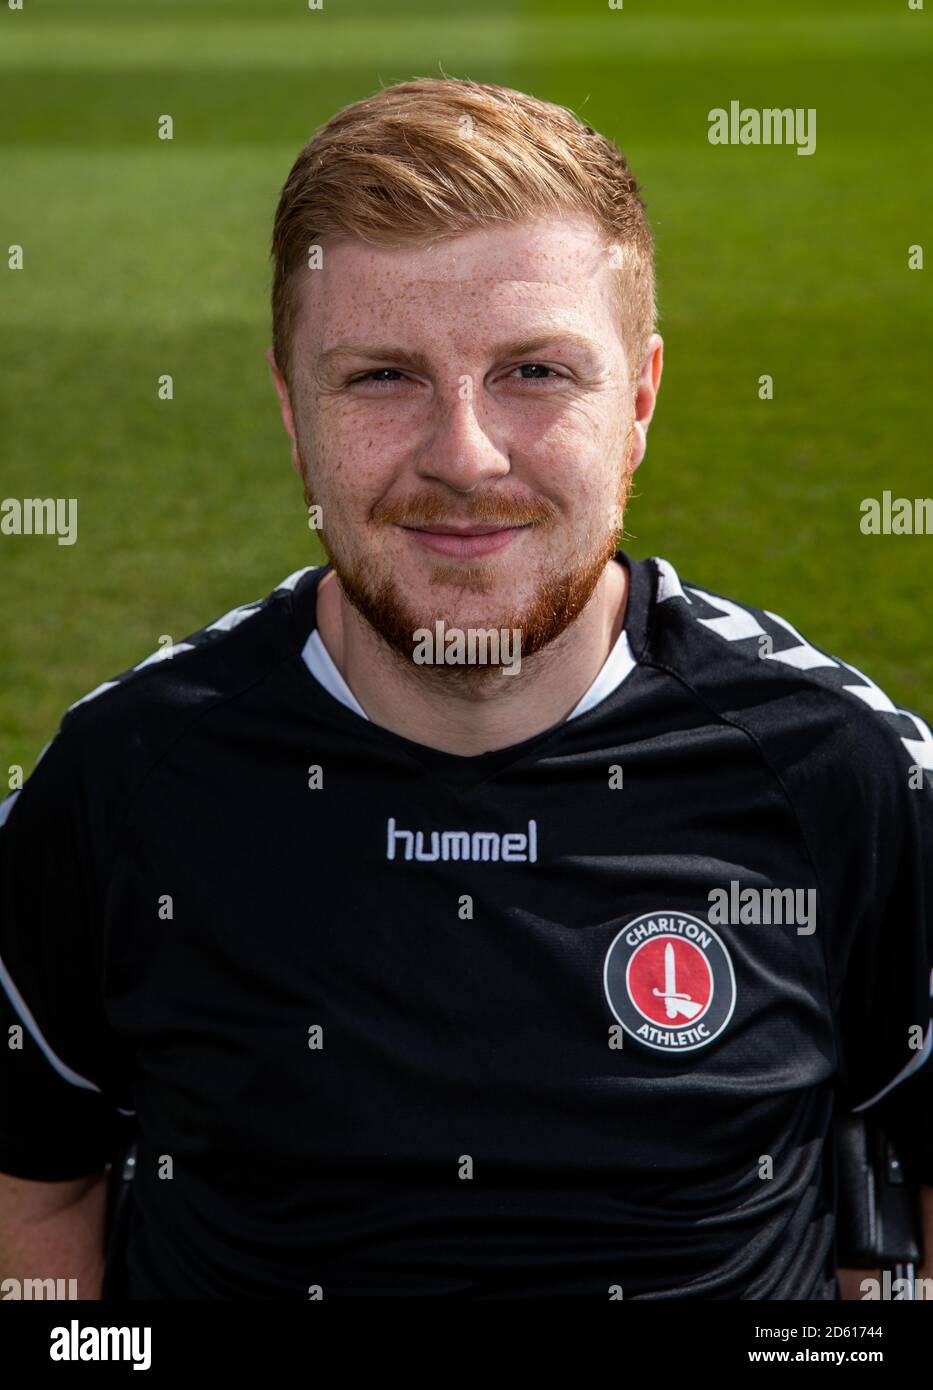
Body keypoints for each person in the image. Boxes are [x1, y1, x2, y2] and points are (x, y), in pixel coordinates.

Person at [1, 78, 930, 1301]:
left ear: (639, 399)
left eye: (534, 372)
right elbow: (33, 1186)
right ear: (292, 411)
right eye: (381, 378)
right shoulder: (122, 784)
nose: (464, 456)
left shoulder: (844, 774)